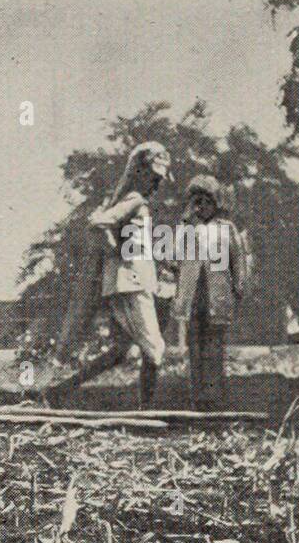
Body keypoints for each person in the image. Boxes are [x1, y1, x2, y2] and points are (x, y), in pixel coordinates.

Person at [87, 141, 171, 408]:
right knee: (155, 349)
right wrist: (115, 249)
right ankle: (146, 411)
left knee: (124, 350)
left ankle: (59, 391)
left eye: (158, 179)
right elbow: (98, 221)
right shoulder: (134, 200)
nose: (155, 183)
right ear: (139, 172)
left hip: (133, 279)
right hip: (132, 282)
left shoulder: (138, 201)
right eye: (152, 176)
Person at [173, 175, 245, 410]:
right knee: (194, 344)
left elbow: (238, 259)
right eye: (197, 202)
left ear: (216, 203)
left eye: (207, 201)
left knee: (214, 344)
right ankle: (197, 395)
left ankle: (214, 396)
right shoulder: (186, 229)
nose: (202, 207)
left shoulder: (226, 229)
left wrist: (239, 286)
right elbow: (173, 258)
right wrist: (185, 221)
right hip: (194, 296)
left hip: (217, 294)